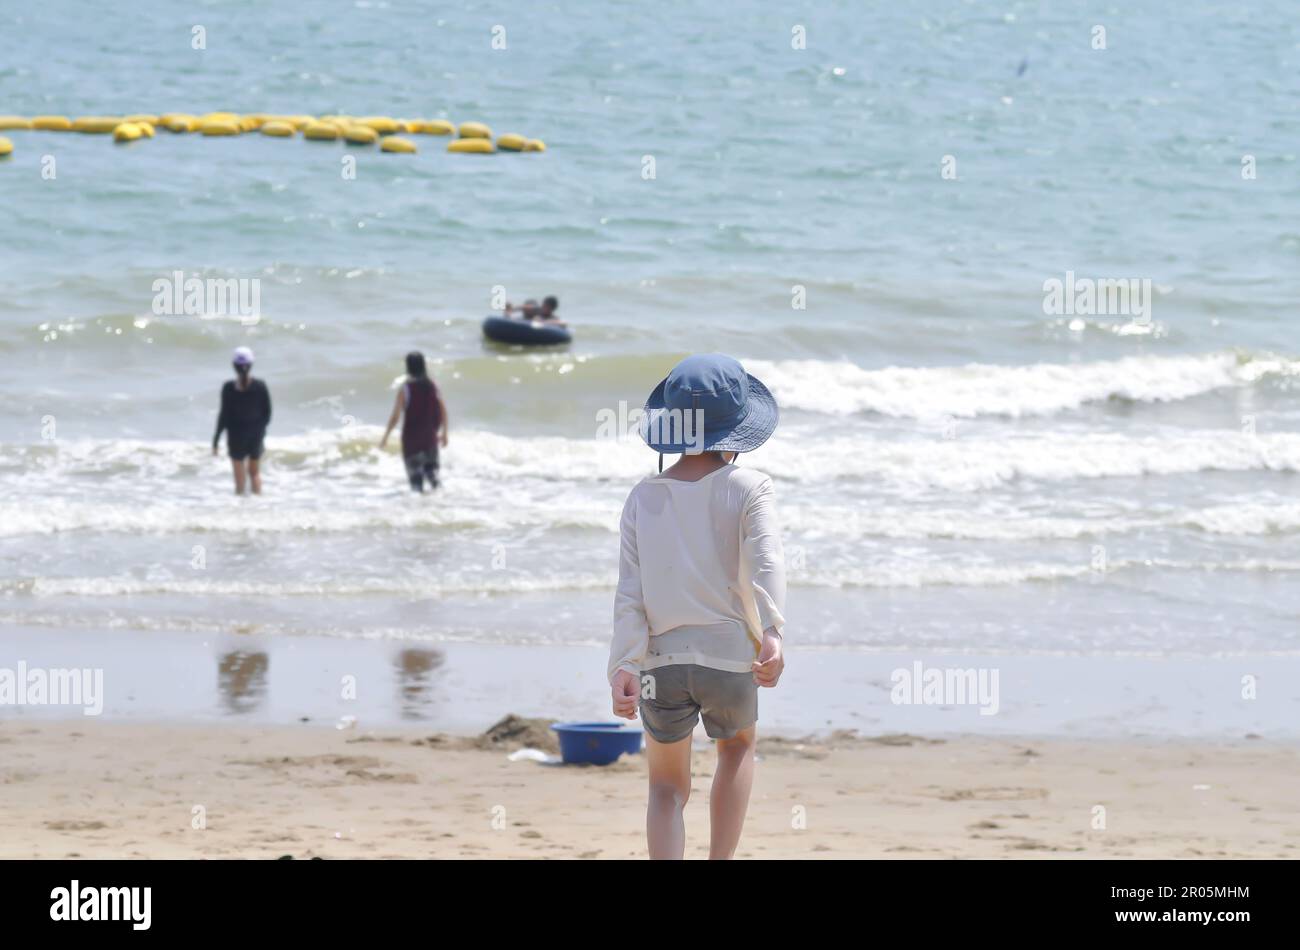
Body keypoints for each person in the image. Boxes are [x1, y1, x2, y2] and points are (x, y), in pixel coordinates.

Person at [608, 354, 786, 859]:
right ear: (738, 428)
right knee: (737, 748)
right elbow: (767, 560)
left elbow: (630, 591)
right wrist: (772, 630)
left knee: (665, 789)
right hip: (730, 655)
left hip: (658, 663)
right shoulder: (750, 487)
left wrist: (624, 663)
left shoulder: (642, 496)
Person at [380, 351, 448, 492]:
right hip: (430, 439)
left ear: (408, 367)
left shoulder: (406, 389)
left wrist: (385, 436)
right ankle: (442, 508)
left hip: (412, 442)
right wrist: (445, 433)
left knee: (416, 484)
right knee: (434, 480)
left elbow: (395, 417)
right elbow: (443, 411)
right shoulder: (433, 386)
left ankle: (417, 511)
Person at [212, 346, 272, 495]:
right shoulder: (260, 386)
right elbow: (267, 412)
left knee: (239, 481)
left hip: (236, 437)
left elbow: (224, 416)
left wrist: (216, 439)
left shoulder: (228, 388)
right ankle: (259, 507)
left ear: (234, 366)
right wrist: (261, 431)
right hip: (255, 435)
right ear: (251, 365)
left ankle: (240, 513)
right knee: (255, 473)